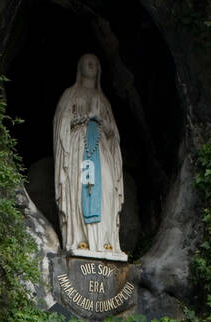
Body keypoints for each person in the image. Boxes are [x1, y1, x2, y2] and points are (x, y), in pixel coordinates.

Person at [53, 53, 125, 258]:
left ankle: (106, 241)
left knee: (107, 189)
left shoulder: (103, 100)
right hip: (78, 150)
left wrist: (100, 121)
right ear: (80, 67)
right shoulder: (70, 94)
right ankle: (81, 239)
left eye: (95, 62)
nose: (92, 64)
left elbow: (114, 134)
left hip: (100, 148)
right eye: (87, 61)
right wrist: (82, 120)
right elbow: (61, 125)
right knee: (80, 188)